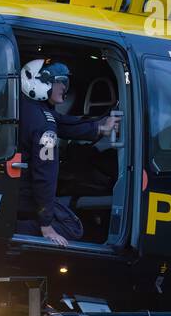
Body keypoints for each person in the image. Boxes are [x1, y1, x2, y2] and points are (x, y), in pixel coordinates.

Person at [16, 58, 118, 247]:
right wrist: (46, 225)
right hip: (26, 196)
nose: (64, 86)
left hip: (17, 192)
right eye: (59, 81)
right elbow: (44, 176)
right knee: (73, 228)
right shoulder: (43, 125)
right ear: (39, 83)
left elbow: (62, 123)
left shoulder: (29, 108)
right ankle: (16, 231)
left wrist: (100, 127)